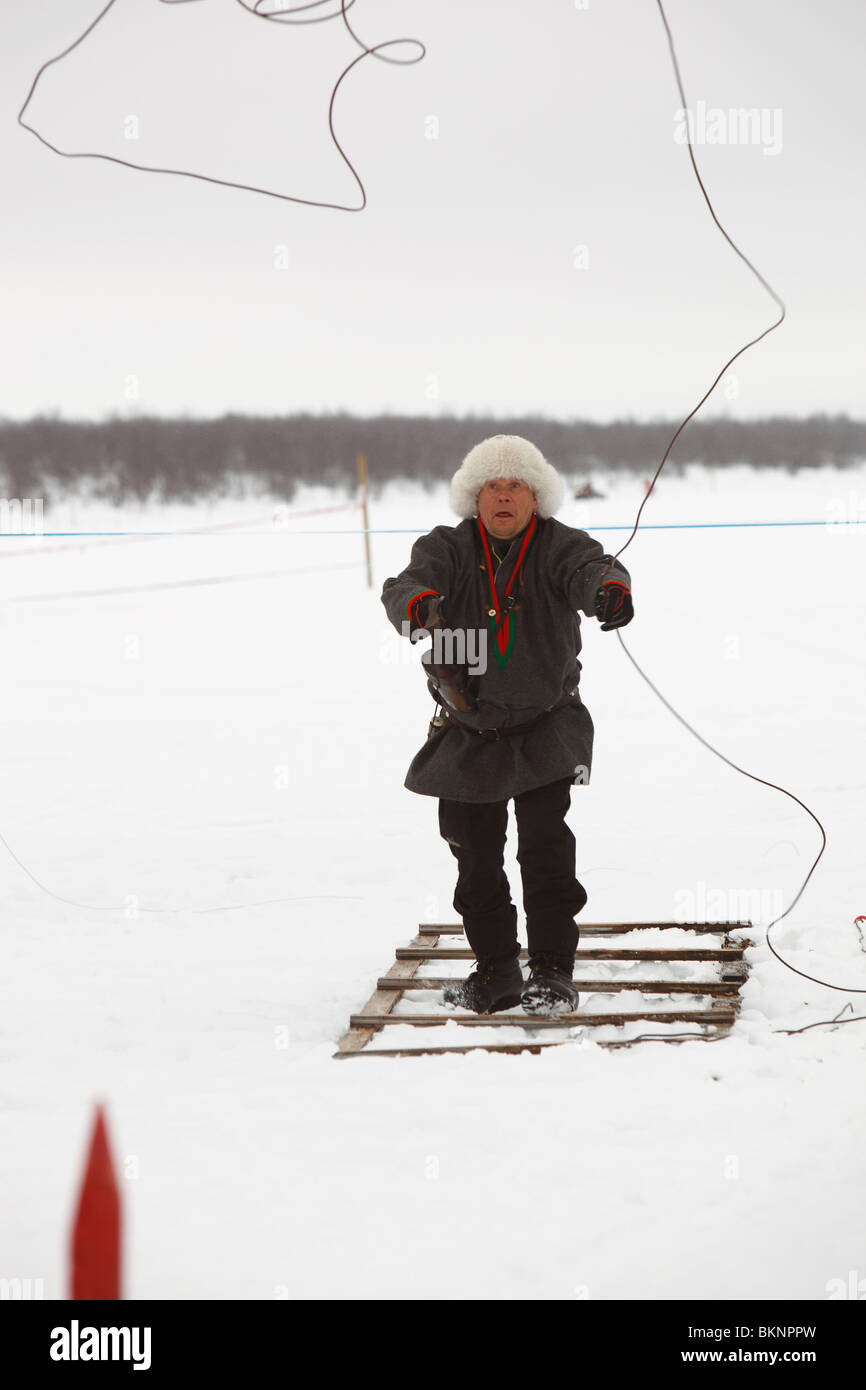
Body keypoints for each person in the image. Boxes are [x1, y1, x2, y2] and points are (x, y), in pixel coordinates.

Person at [380, 435, 633, 1016]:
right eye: (491, 485)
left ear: (535, 496)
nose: (503, 495)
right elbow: (402, 587)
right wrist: (418, 605)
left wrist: (609, 592)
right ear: (474, 496)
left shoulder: (558, 545)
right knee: (475, 858)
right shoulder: (445, 546)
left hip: (548, 729)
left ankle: (552, 973)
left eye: (515, 484)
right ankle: (495, 972)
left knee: (545, 852)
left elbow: (591, 570)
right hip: (470, 734)